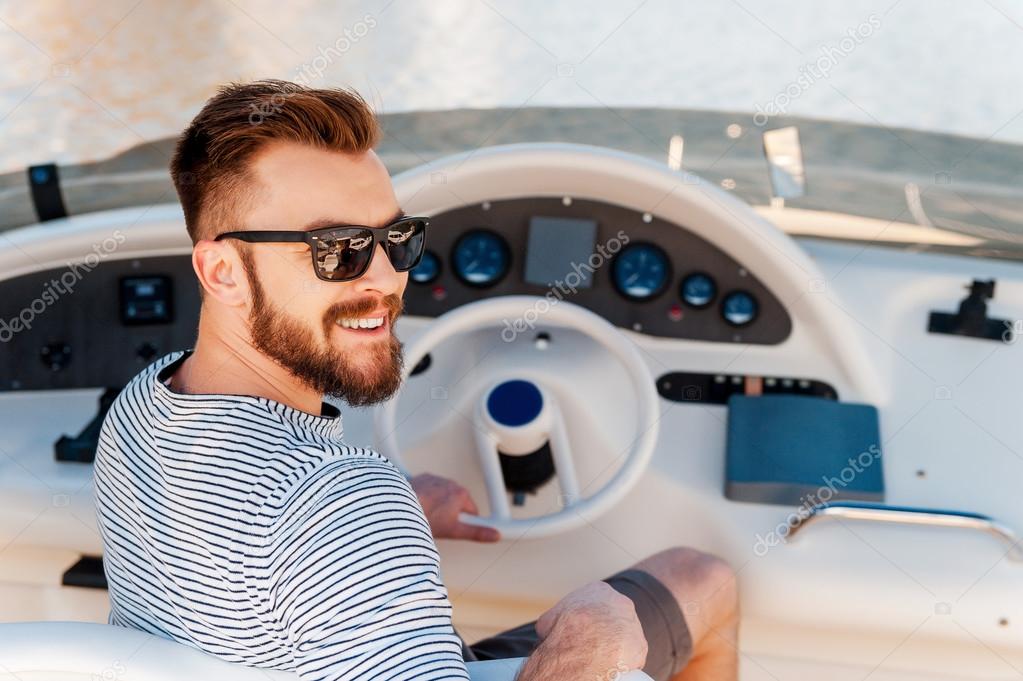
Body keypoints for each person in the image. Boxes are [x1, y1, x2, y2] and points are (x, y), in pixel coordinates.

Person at [93, 80, 738, 681]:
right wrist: (587, 647)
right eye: (337, 250)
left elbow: (252, 560)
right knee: (704, 579)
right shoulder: (337, 503)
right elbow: (304, 521)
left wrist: (382, 532)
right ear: (223, 272)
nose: (386, 280)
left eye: (396, 239)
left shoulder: (144, 405)